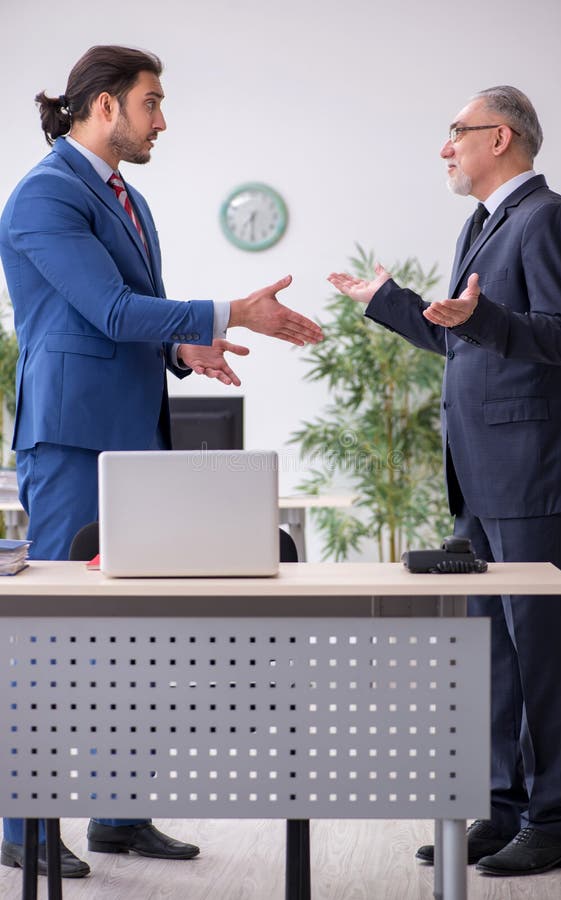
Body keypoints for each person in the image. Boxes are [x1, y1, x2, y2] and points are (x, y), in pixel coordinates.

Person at [0, 44, 322, 878]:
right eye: (152, 103)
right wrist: (230, 311)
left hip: (135, 433)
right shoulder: (43, 195)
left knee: (130, 640)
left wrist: (186, 347)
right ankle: (20, 825)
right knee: (54, 640)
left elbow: (128, 320)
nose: (162, 121)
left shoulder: (126, 198)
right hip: (71, 438)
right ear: (103, 106)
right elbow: (106, 310)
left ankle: (118, 813)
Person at [328, 85, 561, 877]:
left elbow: (558, 338)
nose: (445, 147)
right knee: (490, 649)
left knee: (540, 651)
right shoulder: (483, 224)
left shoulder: (550, 219)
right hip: (480, 478)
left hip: (534, 475)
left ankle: (552, 821)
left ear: (501, 137)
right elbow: (463, 338)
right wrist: (388, 303)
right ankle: (502, 808)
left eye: (457, 132)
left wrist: (472, 317)